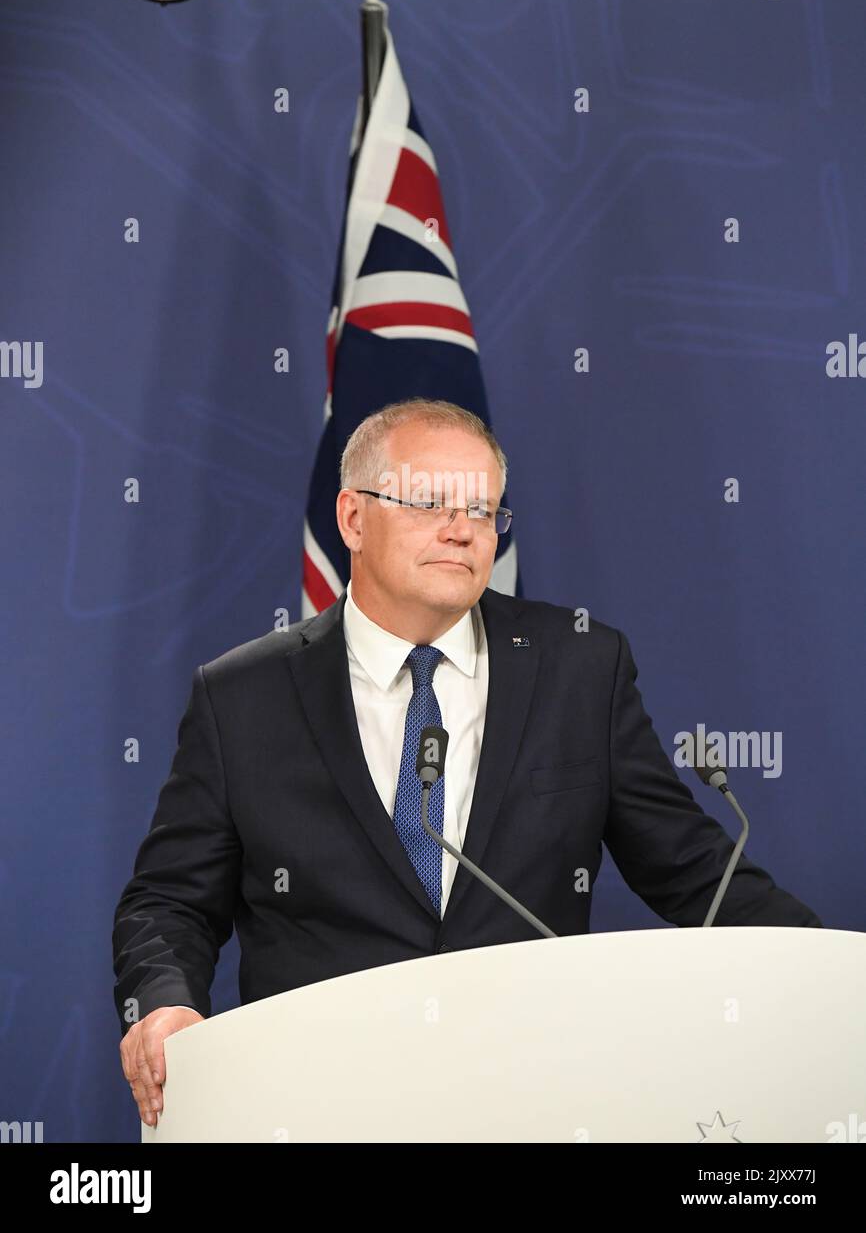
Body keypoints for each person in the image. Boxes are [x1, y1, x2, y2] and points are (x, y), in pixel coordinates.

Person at [114, 397, 820, 1127]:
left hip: (532, 1096)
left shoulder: (579, 666)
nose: (461, 530)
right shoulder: (243, 695)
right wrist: (165, 1002)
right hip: (322, 1099)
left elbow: (695, 873)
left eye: (483, 511)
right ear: (353, 519)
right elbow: (170, 902)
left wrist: (832, 973)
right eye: (429, 502)